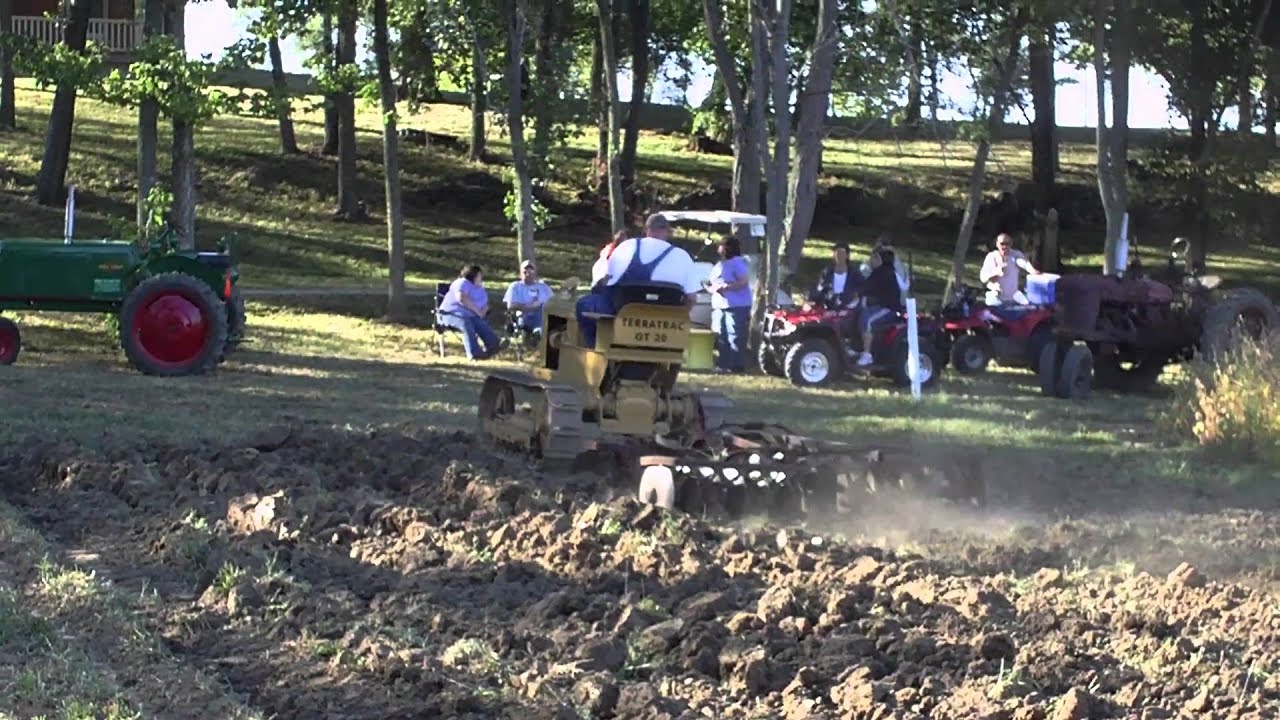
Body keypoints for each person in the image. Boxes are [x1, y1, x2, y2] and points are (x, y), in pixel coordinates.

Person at [576, 213, 701, 348]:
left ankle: (593, 347)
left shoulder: (627, 246)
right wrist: (677, 318)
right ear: (667, 232)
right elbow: (691, 298)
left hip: (621, 312)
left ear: (647, 229)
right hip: (663, 321)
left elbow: (607, 280)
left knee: (583, 304)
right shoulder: (683, 256)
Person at [705, 236, 752, 373]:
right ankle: (723, 364)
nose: (719, 248)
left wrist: (727, 287)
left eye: (722, 245)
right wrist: (711, 288)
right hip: (720, 305)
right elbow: (712, 281)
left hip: (736, 305)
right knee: (721, 334)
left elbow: (743, 281)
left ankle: (736, 365)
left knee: (735, 335)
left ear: (728, 248)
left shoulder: (737, 262)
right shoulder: (720, 264)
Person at [438, 264, 504, 360]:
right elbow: (462, 298)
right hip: (449, 314)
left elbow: (485, 304)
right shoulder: (461, 282)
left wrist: (482, 312)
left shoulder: (480, 288)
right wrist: (477, 311)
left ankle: (494, 346)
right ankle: (474, 354)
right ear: (474, 275)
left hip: (470, 315)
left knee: (479, 323)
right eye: (480, 275)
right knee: (466, 323)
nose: (481, 278)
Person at [855, 246, 906, 366]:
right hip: (879, 306)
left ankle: (867, 354)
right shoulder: (879, 272)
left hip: (889, 309)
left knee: (866, 320)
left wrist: (859, 292)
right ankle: (857, 347)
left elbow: (867, 288)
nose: (871, 261)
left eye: (873, 258)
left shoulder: (884, 273)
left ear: (879, 259)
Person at [980, 233, 1041, 305]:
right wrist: (996, 272)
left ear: (1011, 244)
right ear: (997, 244)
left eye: (1007, 244)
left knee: (1028, 306)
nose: (1004, 246)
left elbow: (1024, 263)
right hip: (995, 297)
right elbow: (983, 278)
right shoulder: (991, 257)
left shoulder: (1015, 254)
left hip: (1013, 297)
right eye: (1002, 243)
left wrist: (1033, 271)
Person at [503, 259, 553, 332]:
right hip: (523, 316)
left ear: (536, 273)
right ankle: (538, 332)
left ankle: (539, 332)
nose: (528, 273)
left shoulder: (543, 287)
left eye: (531, 270)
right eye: (525, 271)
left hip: (543, 316)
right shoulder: (515, 286)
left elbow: (553, 302)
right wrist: (529, 307)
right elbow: (511, 306)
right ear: (520, 273)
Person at [807, 242, 861, 309]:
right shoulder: (827, 271)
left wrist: (855, 301)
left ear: (847, 255)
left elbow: (861, 293)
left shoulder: (854, 273)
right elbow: (818, 289)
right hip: (828, 307)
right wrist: (812, 300)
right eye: (837, 253)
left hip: (846, 309)